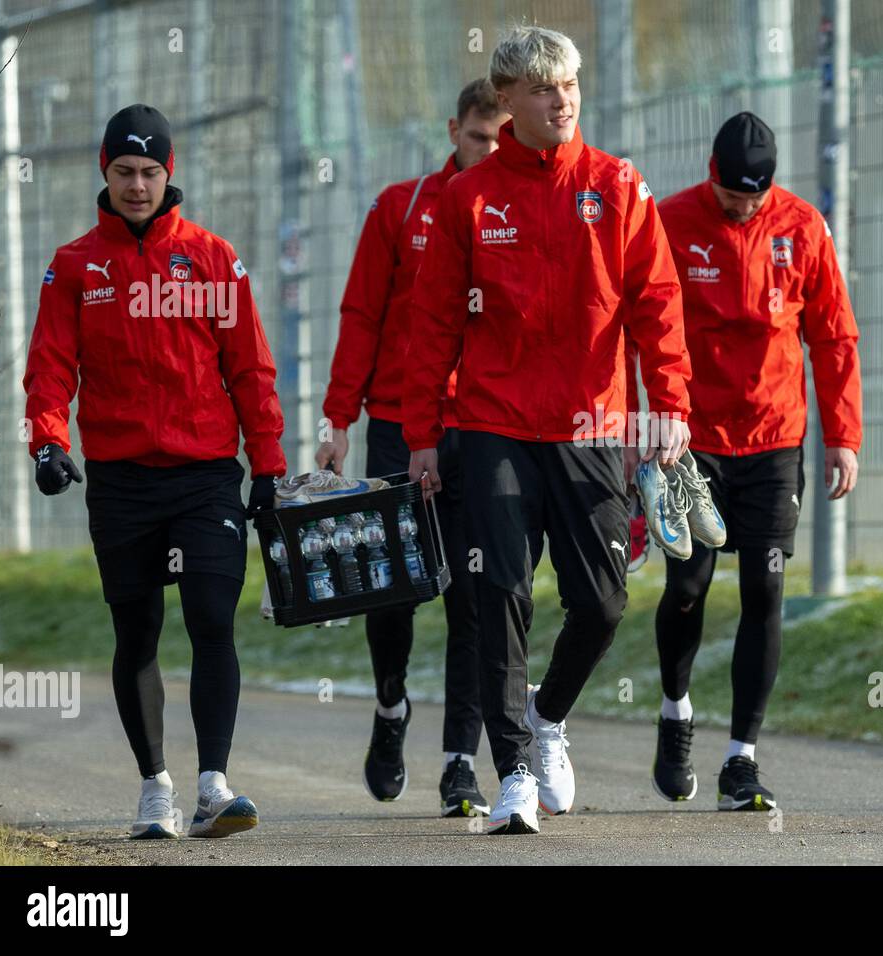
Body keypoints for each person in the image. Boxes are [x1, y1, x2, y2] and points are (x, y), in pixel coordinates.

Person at [402, 25, 692, 834]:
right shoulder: (469, 198)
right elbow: (430, 326)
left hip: (592, 425)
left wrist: (668, 399)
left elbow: (658, 302)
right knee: (497, 594)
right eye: (541, 89)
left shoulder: (617, 185)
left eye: (567, 85)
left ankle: (548, 715)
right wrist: (423, 433)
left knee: (601, 604)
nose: (560, 99)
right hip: (491, 423)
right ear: (507, 103)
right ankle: (515, 776)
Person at [23, 104, 286, 838]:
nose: (137, 186)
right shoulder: (75, 265)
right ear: (102, 173)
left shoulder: (210, 257)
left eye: (149, 173)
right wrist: (48, 443)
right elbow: (49, 367)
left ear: (170, 174)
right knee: (136, 632)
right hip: (120, 479)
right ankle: (155, 789)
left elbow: (251, 370)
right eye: (123, 172)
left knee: (210, 618)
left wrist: (267, 467)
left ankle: (213, 786)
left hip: (205, 474)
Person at [638, 113, 862, 810]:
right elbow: (637, 321)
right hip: (691, 436)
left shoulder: (803, 227)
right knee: (688, 584)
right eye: (730, 195)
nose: (741, 208)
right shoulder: (670, 221)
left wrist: (844, 435)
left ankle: (742, 759)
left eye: (752, 199)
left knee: (765, 591)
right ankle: (676, 713)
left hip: (773, 435)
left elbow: (833, 337)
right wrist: (638, 421)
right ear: (711, 172)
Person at [316, 79, 509, 818]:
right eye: (477, 138)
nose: (488, 152)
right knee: (393, 591)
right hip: (399, 422)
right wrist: (339, 419)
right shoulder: (401, 207)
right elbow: (362, 313)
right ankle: (391, 707)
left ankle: (460, 763)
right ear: (453, 128)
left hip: (482, 425)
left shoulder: (515, 211)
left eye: (500, 141)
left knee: (473, 595)